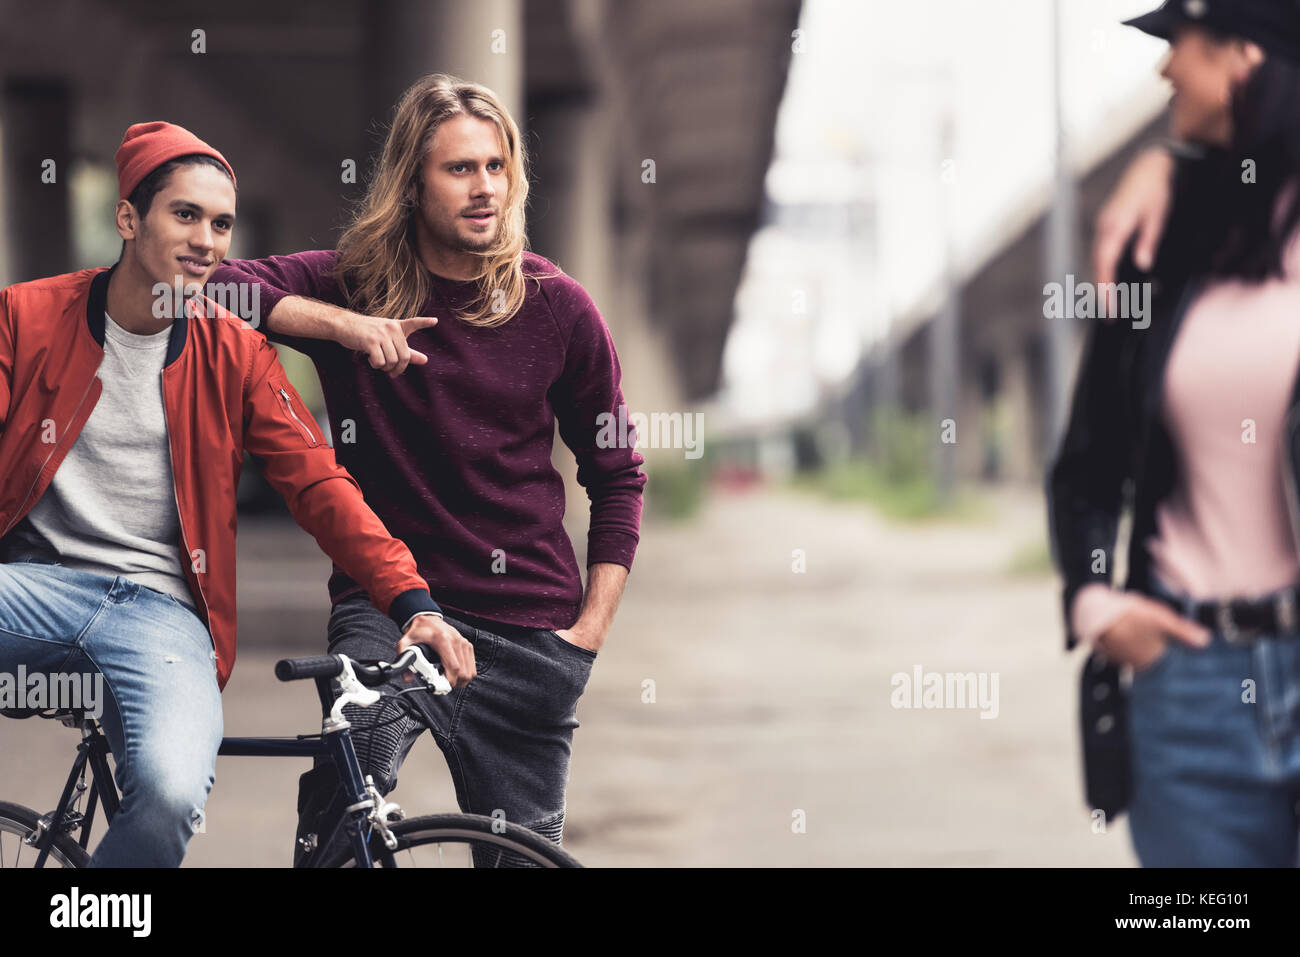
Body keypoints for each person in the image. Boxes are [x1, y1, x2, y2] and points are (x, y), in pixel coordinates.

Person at [0, 121, 473, 867]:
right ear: (128, 218)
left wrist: (412, 600)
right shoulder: (24, 319)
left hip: (161, 617)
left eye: (221, 223)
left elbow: (319, 482)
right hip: (32, 591)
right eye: (183, 214)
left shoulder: (236, 350)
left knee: (166, 793)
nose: (207, 239)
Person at [209, 74, 647, 865]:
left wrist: (585, 636)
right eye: (459, 169)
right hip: (387, 609)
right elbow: (199, 287)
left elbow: (617, 473)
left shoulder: (560, 306)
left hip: (530, 632)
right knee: (342, 831)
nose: (485, 188)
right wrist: (343, 326)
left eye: (495, 167)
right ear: (412, 183)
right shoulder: (353, 284)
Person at [1048, 0, 1300, 866]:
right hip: (1187, 695)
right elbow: (1087, 466)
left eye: (1178, 45)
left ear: (1239, 55)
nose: (1163, 70)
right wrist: (1094, 597)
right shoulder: (1162, 243)